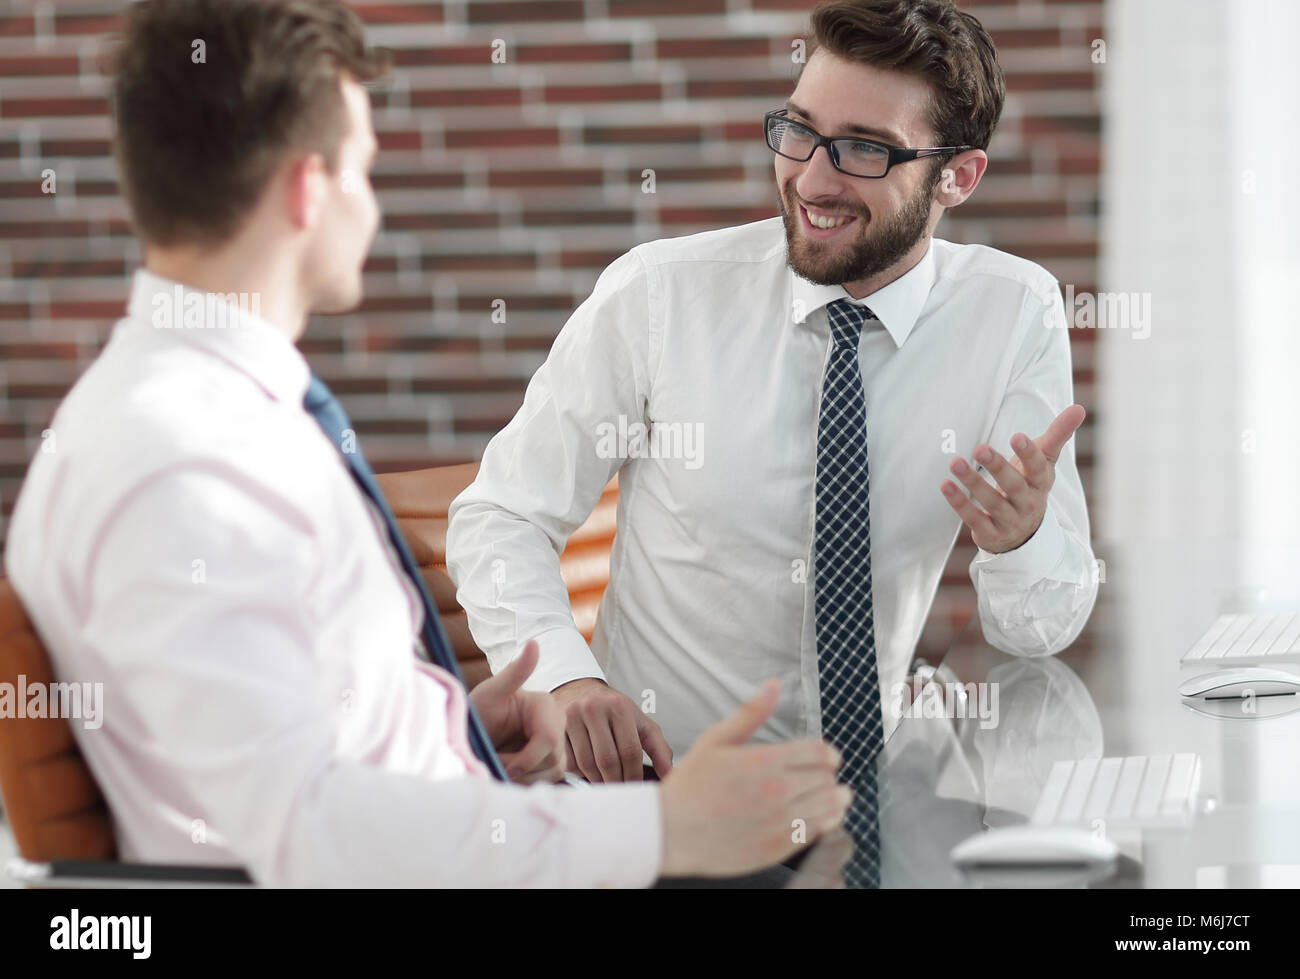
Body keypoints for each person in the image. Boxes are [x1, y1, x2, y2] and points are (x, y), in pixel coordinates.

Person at [2, 0, 849, 888]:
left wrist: (452, 740)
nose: (371, 205)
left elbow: (272, 750)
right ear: (306, 188)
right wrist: (658, 832)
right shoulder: (185, 463)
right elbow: (300, 830)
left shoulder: (206, 419)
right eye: (363, 171)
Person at [446, 0, 1099, 886]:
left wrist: (1021, 539)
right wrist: (565, 677)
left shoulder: (1011, 313)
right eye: (798, 131)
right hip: (667, 802)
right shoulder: (659, 297)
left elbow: (1037, 632)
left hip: (878, 800)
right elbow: (500, 515)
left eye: (865, 149)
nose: (813, 179)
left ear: (959, 176)